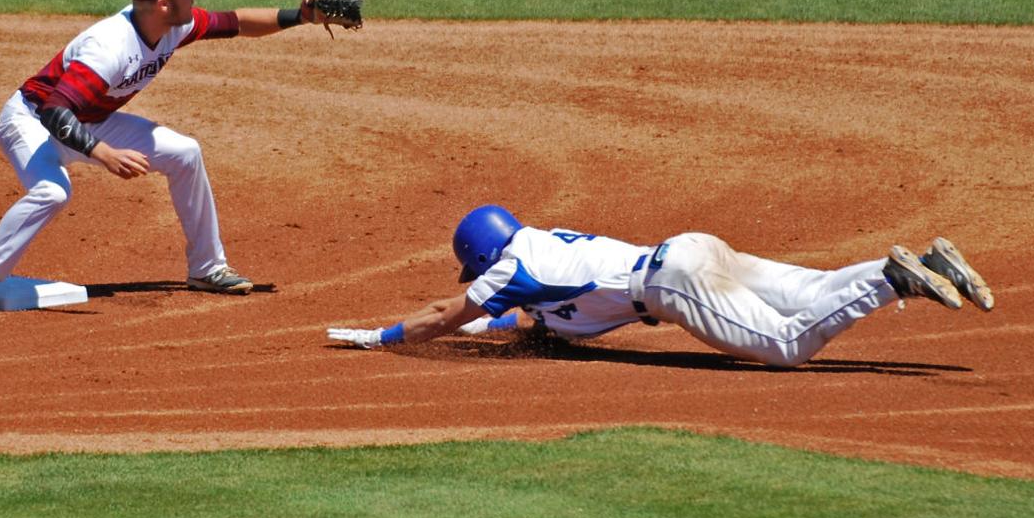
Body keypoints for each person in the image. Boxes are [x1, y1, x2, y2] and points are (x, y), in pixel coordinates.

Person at [0, 0, 355, 317]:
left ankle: (207, 268)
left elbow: (236, 23)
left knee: (185, 153)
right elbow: (55, 110)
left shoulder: (174, 25)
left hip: (90, 119)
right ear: (163, 3)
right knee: (54, 191)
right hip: (32, 121)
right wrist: (103, 152)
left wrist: (301, 17)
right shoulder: (108, 48)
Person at [327, 205, 995, 367]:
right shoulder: (543, 250)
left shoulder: (510, 269)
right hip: (691, 249)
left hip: (676, 284)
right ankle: (910, 264)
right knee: (810, 291)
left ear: (482, 259)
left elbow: (451, 312)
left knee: (789, 345)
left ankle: (895, 283)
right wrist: (490, 329)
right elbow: (513, 320)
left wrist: (381, 337)